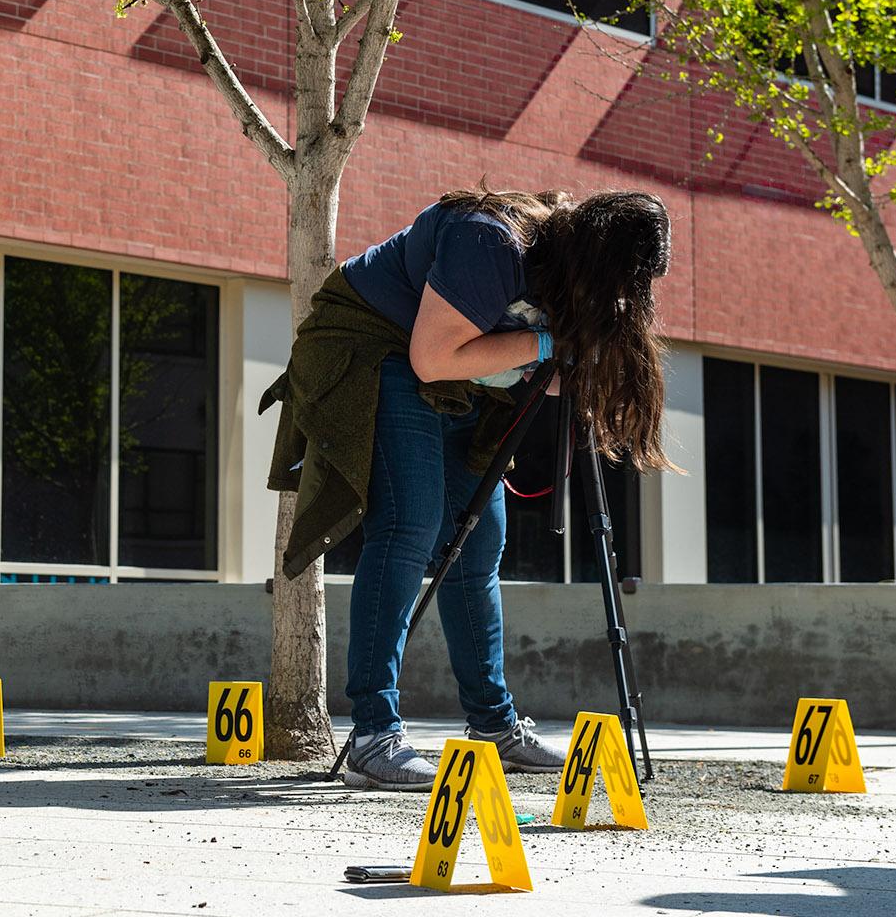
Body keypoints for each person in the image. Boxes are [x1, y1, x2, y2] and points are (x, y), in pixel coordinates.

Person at [263, 189, 672, 791]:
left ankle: (494, 726)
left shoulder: (559, 270)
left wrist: (571, 369)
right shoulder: (489, 241)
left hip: (457, 370)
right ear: (589, 257)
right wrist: (548, 346)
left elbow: (507, 359)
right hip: (376, 347)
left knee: (479, 542)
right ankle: (375, 735)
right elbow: (431, 358)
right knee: (411, 525)